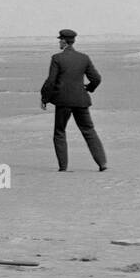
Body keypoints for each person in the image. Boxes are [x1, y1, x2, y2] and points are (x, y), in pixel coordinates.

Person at [40, 29, 107, 172]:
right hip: (81, 100)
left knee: (59, 132)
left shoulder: (57, 58)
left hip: (63, 101)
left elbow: (51, 81)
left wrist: (45, 98)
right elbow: (96, 78)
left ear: (64, 41)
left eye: (60, 40)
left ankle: (63, 167)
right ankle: (102, 163)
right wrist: (89, 88)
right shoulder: (84, 58)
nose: (59, 42)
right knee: (89, 130)